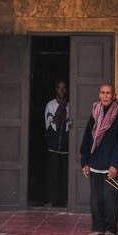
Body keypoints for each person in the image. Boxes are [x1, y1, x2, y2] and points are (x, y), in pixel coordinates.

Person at [80, 83, 118, 235]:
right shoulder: (95, 113)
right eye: (103, 93)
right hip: (95, 164)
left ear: (113, 96)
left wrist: (115, 164)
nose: (105, 96)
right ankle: (98, 227)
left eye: (108, 93)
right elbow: (87, 138)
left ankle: (111, 229)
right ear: (99, 95)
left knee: (111, 199)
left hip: (111, 167)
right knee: (96, 199)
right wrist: (85, 161)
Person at [43, 79, 70, 207]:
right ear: (56, 89)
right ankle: (50, 199)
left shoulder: (70, 105)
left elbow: (70, 125)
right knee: (52, 174)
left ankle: (64, 200)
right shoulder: (50, 105)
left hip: (65, 145)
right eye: (59, 88)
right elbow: (48, 124)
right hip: (53, 145)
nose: (62, 90)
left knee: (64, 174)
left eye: (64, 88)